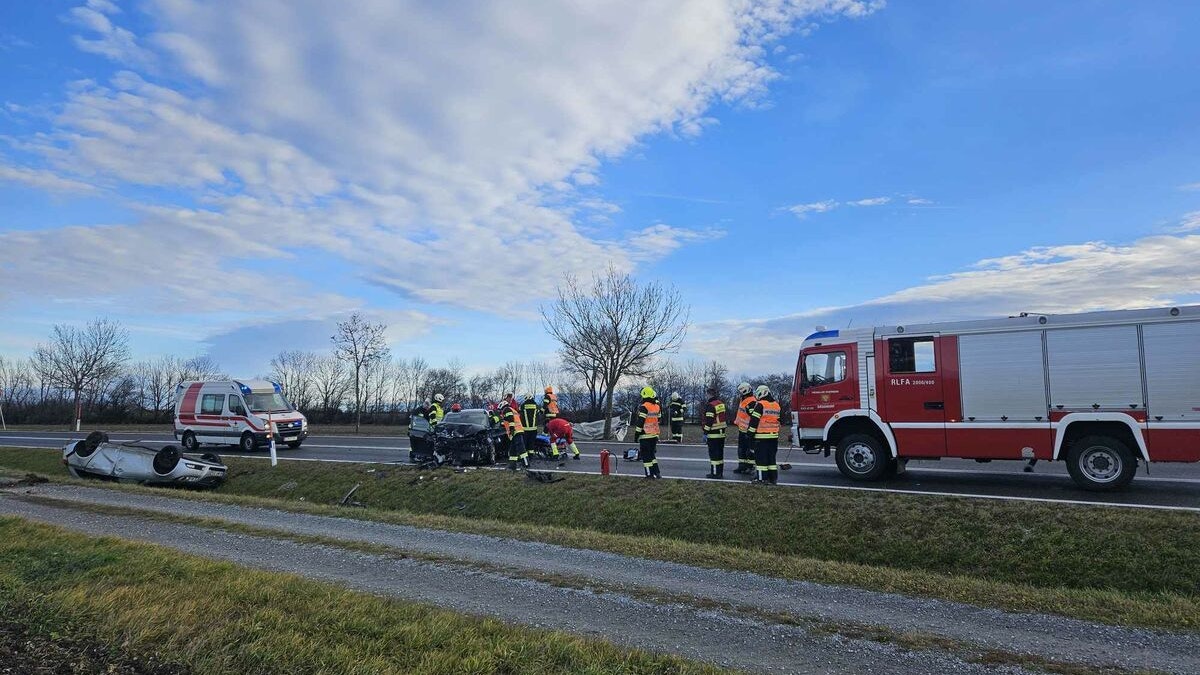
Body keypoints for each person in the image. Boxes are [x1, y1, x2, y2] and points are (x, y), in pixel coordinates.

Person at [748, 384, 781, 484]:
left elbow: (754, 420)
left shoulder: (760, 404)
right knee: (771, 460)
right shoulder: (776, 405)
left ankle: (762, 479)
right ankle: (773, 479)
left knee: (761, 460)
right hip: (774, 437)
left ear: (763, 393)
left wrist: (750, 433)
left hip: (761, 436)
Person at [633, 386, 662, 479]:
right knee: (652, 455)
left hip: (645, 435)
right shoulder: (657, 406)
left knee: (646, 458)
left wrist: (636, 435)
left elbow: (640, 422)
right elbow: (659, 418)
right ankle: (657, 473)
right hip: (654, 435)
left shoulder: (644, 407)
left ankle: (649, 475)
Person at [701, 387, 728, 478]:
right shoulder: (721, 404)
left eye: (706, 394)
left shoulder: (710, 405)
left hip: (713, 433)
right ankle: (720, 472)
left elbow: (709, 420)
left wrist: (705, 432)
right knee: (720, 454)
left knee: (714, 455)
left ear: (709, 394)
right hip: (722, 433)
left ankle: (715, 473)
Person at [732, 383, 756, 474]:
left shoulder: (751, 401)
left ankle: (750, 467)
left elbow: (753, 417)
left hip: (748, 430)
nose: (739, 394)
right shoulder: (744, 399)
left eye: (740, 392)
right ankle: (742, 466)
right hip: (742, 429)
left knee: (749, 450)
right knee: (741, 449)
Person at [502, 398, 529, 470]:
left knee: (521, 448)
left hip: (515, 431)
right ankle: (512, 465)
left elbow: (511, 420)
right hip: (517, 431)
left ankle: (526, 464)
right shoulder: (513, 410)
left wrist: (511, 429)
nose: (501, 412)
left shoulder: (507, 410)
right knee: (513, 449)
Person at [520, 393, 540, 459]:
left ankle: (525, 457)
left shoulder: (523, 406)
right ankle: (531, 455)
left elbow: (520, 415)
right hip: (534, 429)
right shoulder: (536, 405)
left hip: (525, 429)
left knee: (524, 443)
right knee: (531, 443)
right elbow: (538, 415)